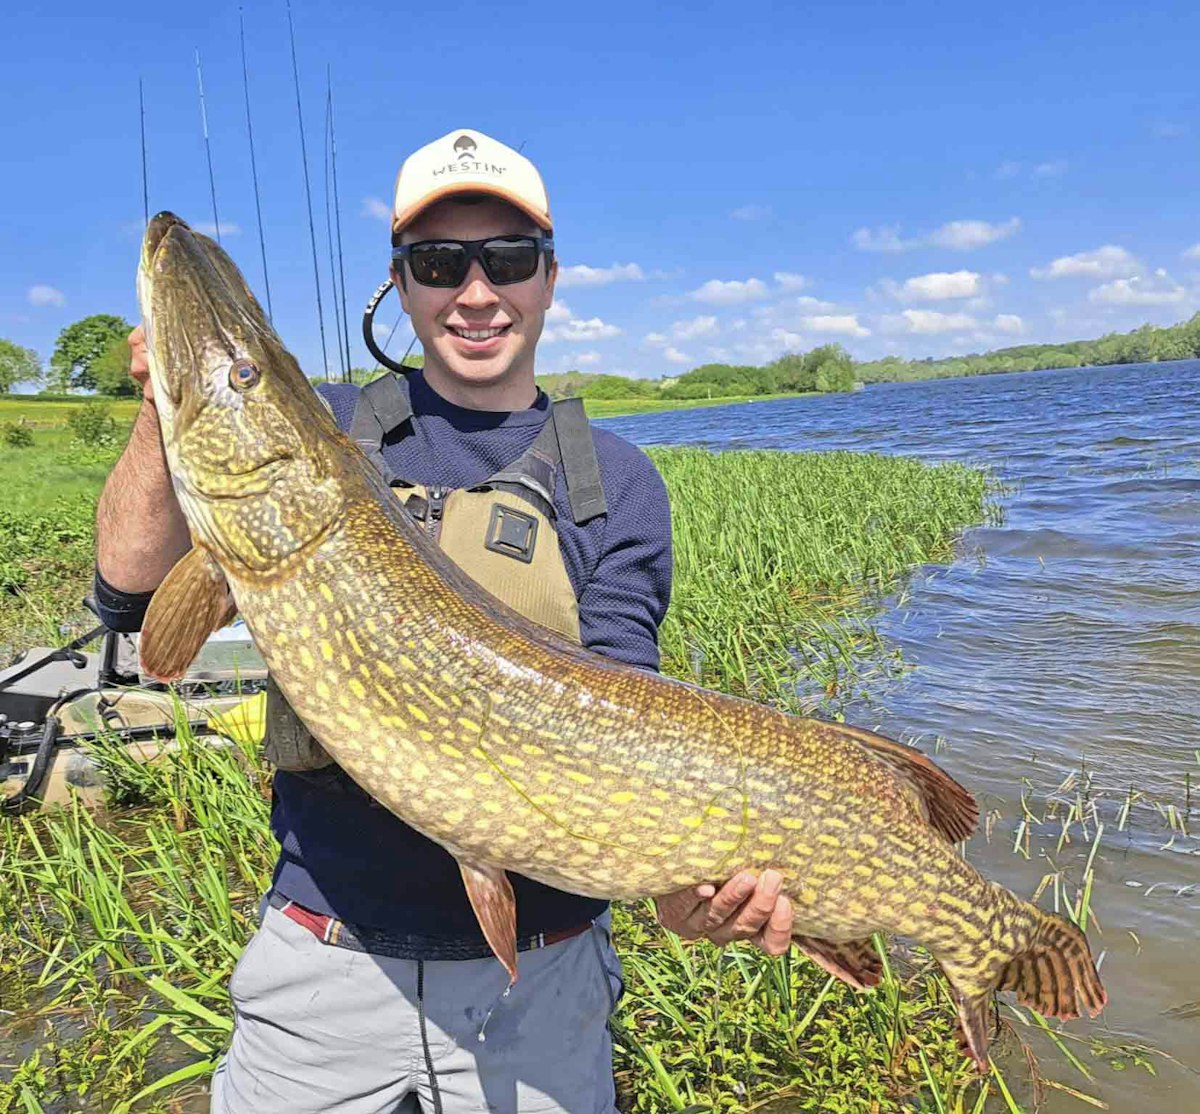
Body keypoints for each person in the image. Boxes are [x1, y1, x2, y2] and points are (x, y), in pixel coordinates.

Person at [94, 128, 794, 1114]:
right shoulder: (331, 426)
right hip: (321, 967)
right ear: (403, 283)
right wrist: (164, 411)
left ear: (549, 278)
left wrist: (687, 889)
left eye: (507, 259)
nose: (475, 291)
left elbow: (632, 714)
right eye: (439, 261)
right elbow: (128, 603)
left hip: (542, 986)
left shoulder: (617, 480)